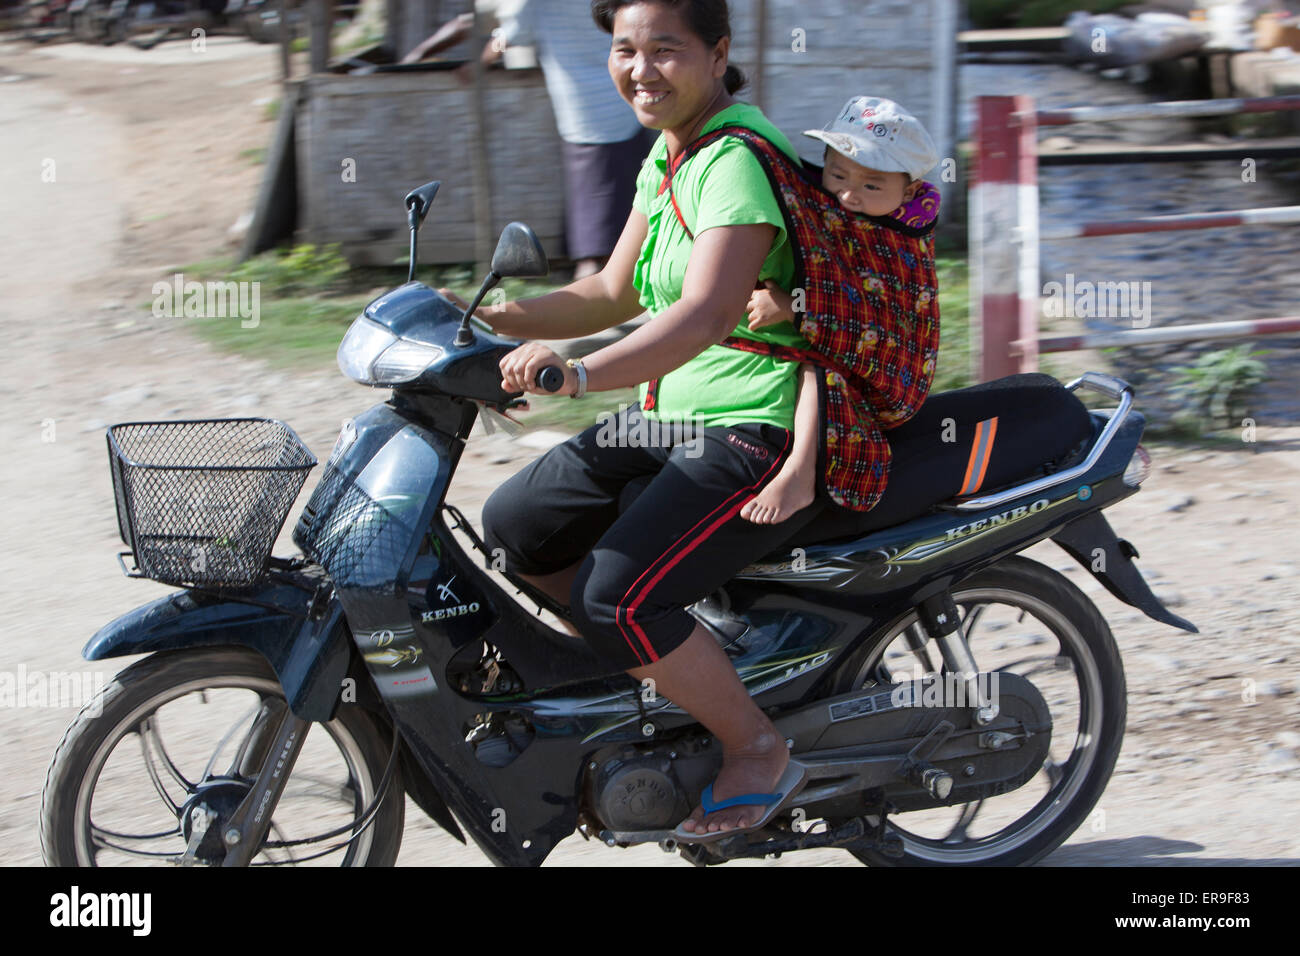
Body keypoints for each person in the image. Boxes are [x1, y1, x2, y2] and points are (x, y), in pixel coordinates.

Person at [462, 0, 822, 842]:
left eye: (666, 49)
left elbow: (701, 316)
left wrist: (578, 372)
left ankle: (757, 746)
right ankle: (658, 678)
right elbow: (610, 292)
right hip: (672, 417)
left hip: (749, 428)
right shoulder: (670, 155)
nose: (639, 69)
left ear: (717, 53)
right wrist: (486, 318)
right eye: (625, 49)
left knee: (616, 596)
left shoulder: (733, 157)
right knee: (519, 522)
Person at [739, 96, 941, 525]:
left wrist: (792, 307)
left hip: (887, 375)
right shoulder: (826, 209)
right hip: (832, 348)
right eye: (837, 174)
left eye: (871, 185)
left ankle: (798, 472)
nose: (848, 195)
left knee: (816, 365)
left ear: (907, 192)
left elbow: (869, 318)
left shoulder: (899, 243)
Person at [403, 1, 654, 280]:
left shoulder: (536, 3)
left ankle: (593, 289)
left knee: (598, 234)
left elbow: (506, 37)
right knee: (609, 212)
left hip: (588, 113)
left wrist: (480, 64)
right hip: (616, 106)